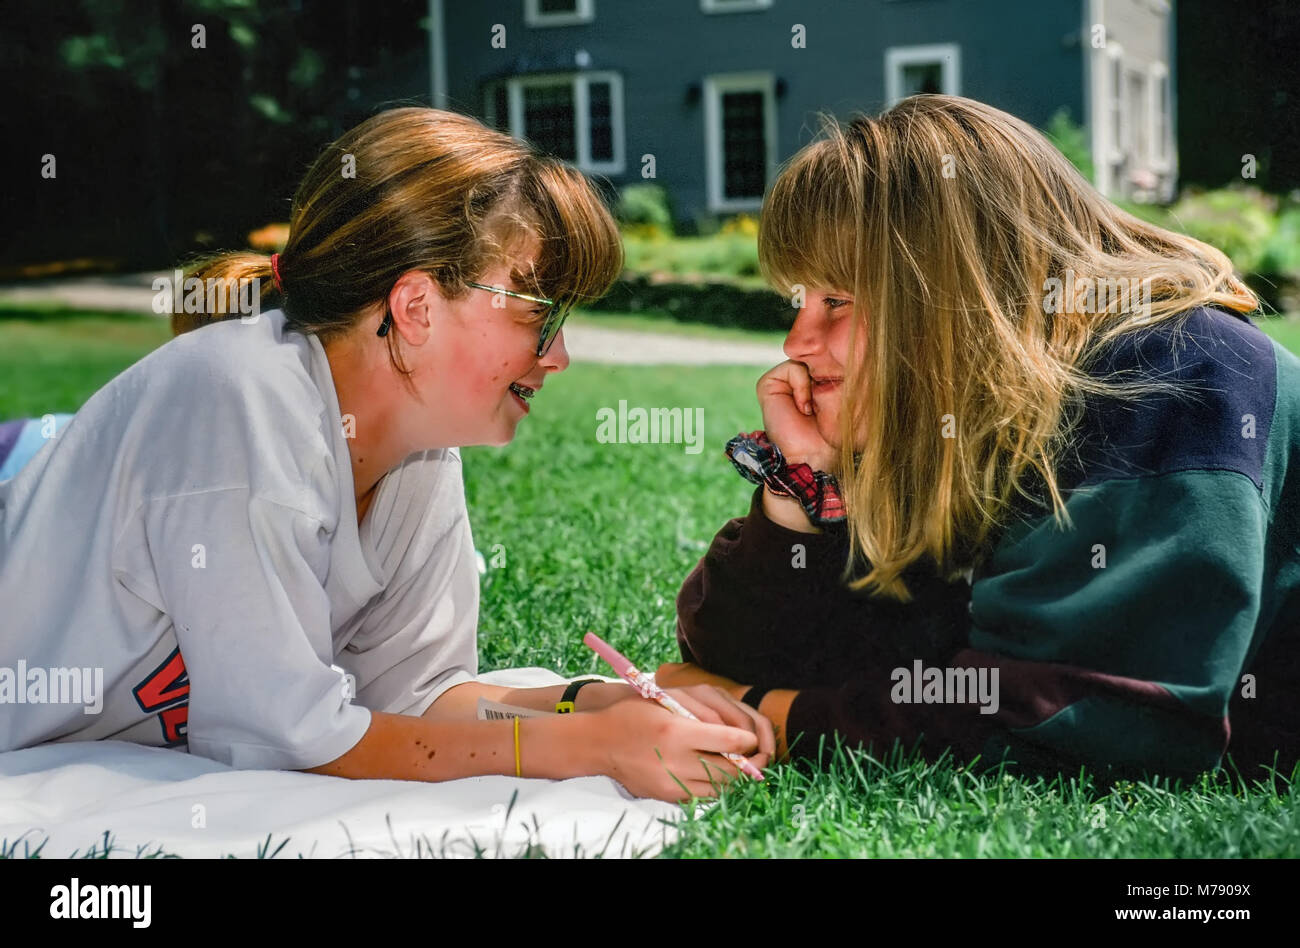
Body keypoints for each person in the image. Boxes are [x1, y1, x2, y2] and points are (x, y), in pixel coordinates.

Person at [0, 107, 772, 803]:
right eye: (540, 315)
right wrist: (585, 749)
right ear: (415, 307)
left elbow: (419, 700)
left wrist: (593, 702)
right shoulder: (238, 401)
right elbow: (290, 743)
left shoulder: (419, 453)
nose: (560, 354)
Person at [657, 94, 1300, 788]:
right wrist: (804, 488)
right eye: (799, 301)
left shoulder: (1173, 372)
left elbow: (1092, 714)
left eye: (837, 302)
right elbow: (766, 655)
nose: (795, 344)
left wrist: (769, 718)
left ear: (952, 287)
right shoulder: (966, 414)